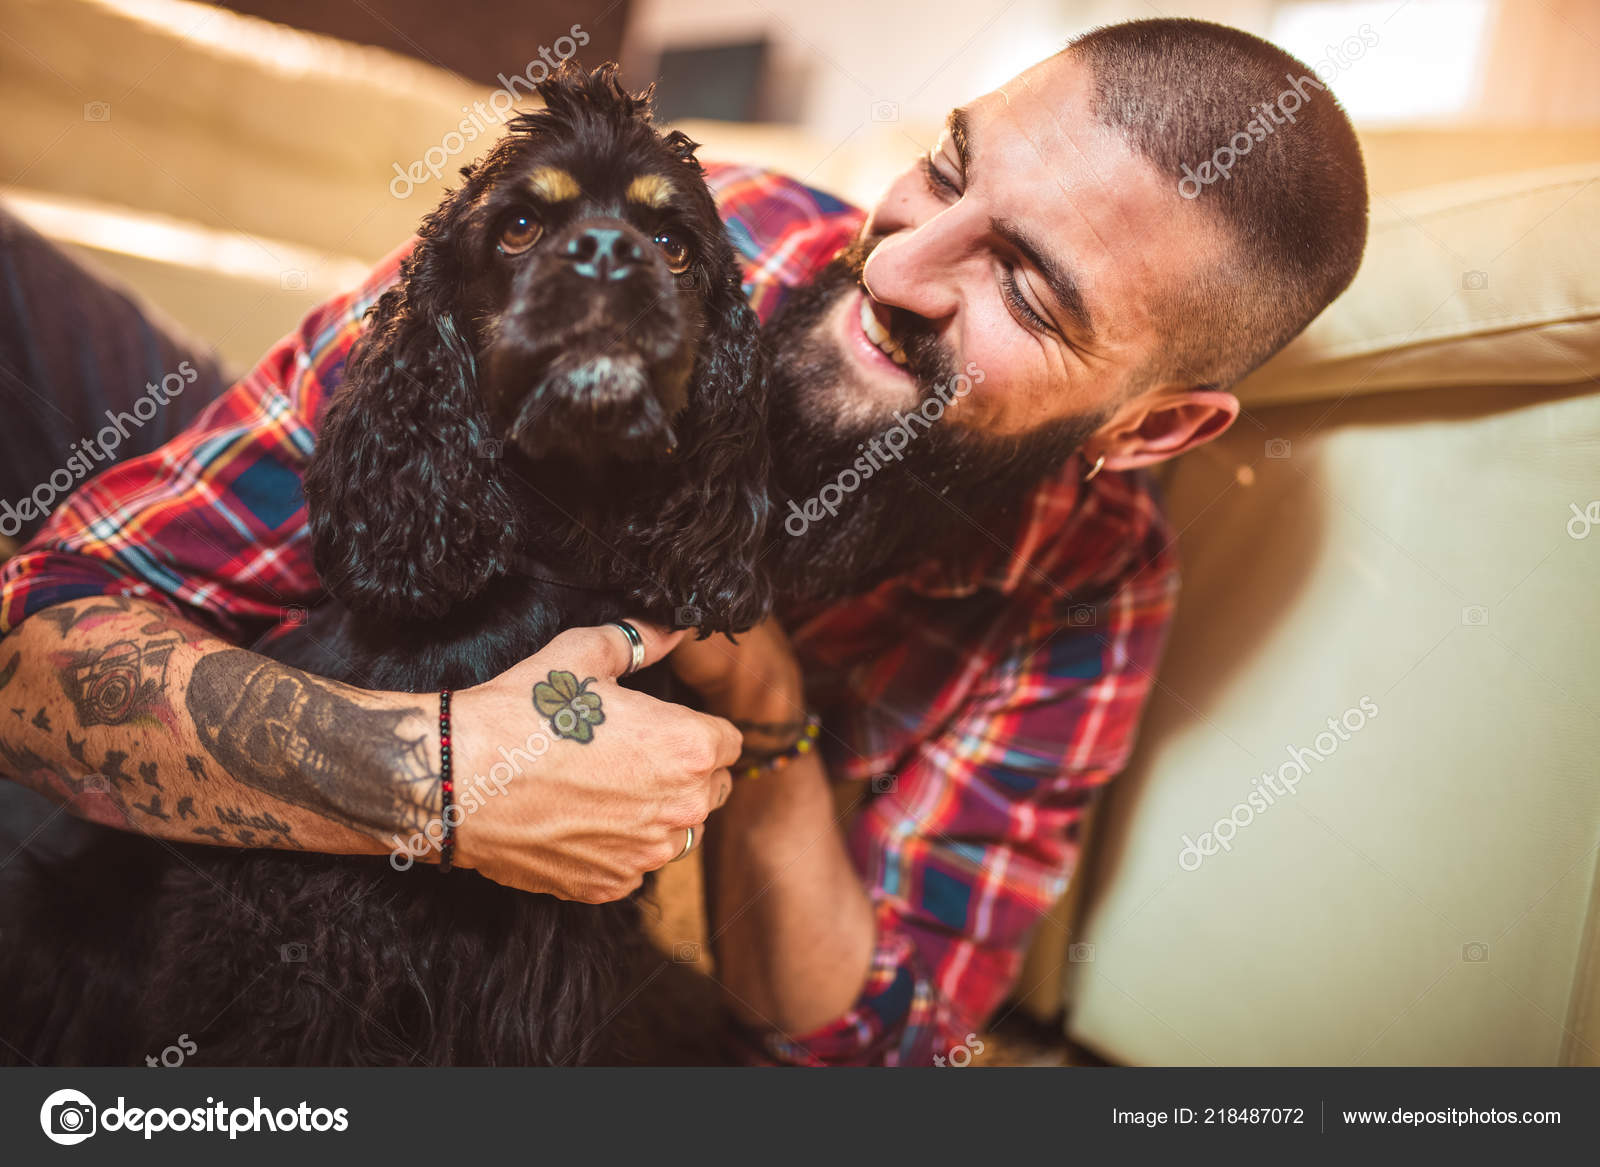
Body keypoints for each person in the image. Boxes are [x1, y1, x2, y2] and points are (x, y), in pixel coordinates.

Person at [0, 18, 1366, 1065]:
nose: (893, 270)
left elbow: (864, 1050)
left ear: (1155, 429)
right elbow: (39, 638)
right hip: (294, 494)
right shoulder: (704, 240)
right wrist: (435, 782)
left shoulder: (1087, 588)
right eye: (944, 169)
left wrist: (767, 715)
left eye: (1023, 282)